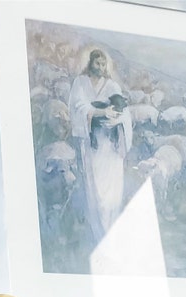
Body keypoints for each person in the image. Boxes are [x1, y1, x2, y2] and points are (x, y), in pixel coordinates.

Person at [68, 49, 132, 244]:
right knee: (95, 189)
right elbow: (78, 106)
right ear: (90, 63)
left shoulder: (112, 85)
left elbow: (124, 112)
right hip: (92, 144)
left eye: (103, 64)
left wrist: (115, 121)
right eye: (97, 63)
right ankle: (99, 235)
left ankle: (113, 232)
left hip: (110, 148)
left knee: (111, 191)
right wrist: (99, 112)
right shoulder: (80, 83)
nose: (100, 67)